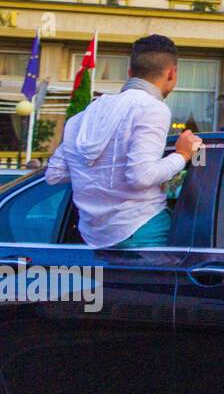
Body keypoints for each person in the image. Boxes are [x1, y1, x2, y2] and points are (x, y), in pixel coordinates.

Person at [46, 35, 202, 248]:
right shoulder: (152, 108)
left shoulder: (82, 117)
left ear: (130, 73)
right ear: (172, 73)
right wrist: (183, 155)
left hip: (92, 237)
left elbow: (54, 175)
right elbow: (141, 176)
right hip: (141, 231)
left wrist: (98, 175)